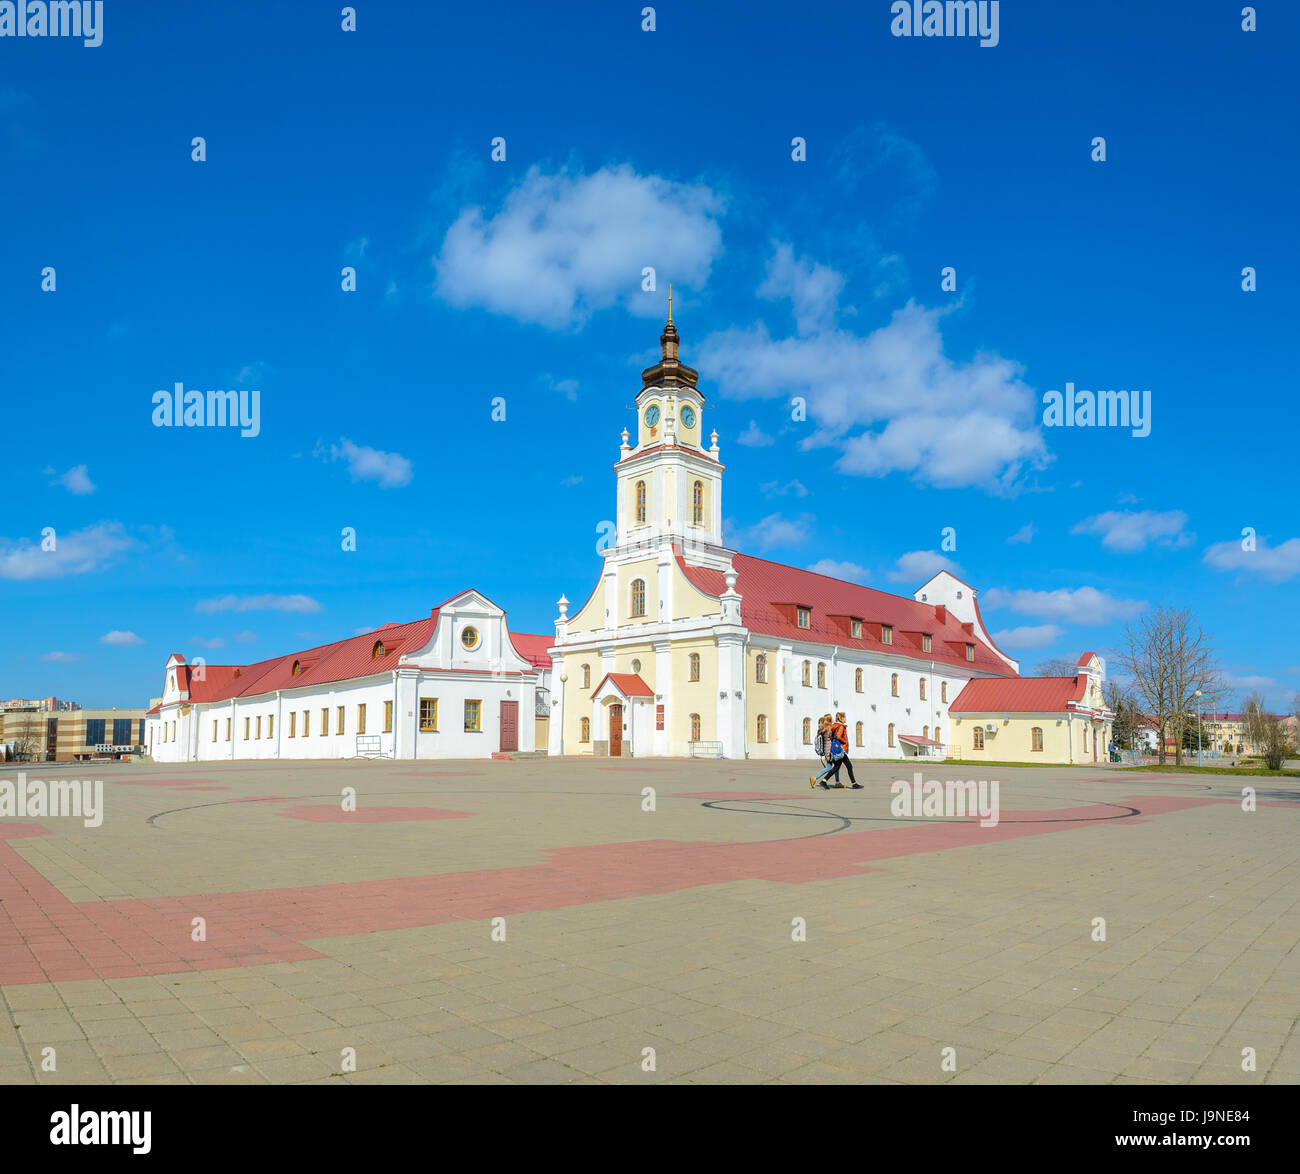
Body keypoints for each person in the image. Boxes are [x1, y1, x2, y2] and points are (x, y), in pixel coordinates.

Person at [828, 712, 861, 788]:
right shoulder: (841, 726)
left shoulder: (835, 726)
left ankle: (824, 780)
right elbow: (839, 736)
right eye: (845, 717)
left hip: (838, 748)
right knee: (848, 766)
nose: (846, 718)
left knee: (837, 767)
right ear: (842, 718)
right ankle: (854, 784)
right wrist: (845, 741)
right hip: (841, 749)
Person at [809, 714, 843, 788]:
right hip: (831, 750)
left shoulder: (822, 729)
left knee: (833, 766)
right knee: (834, 766)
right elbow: (834, 737)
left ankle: (837, 782)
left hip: (826, 750)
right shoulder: (828, 729)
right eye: (831, 719)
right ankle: (836, 782)